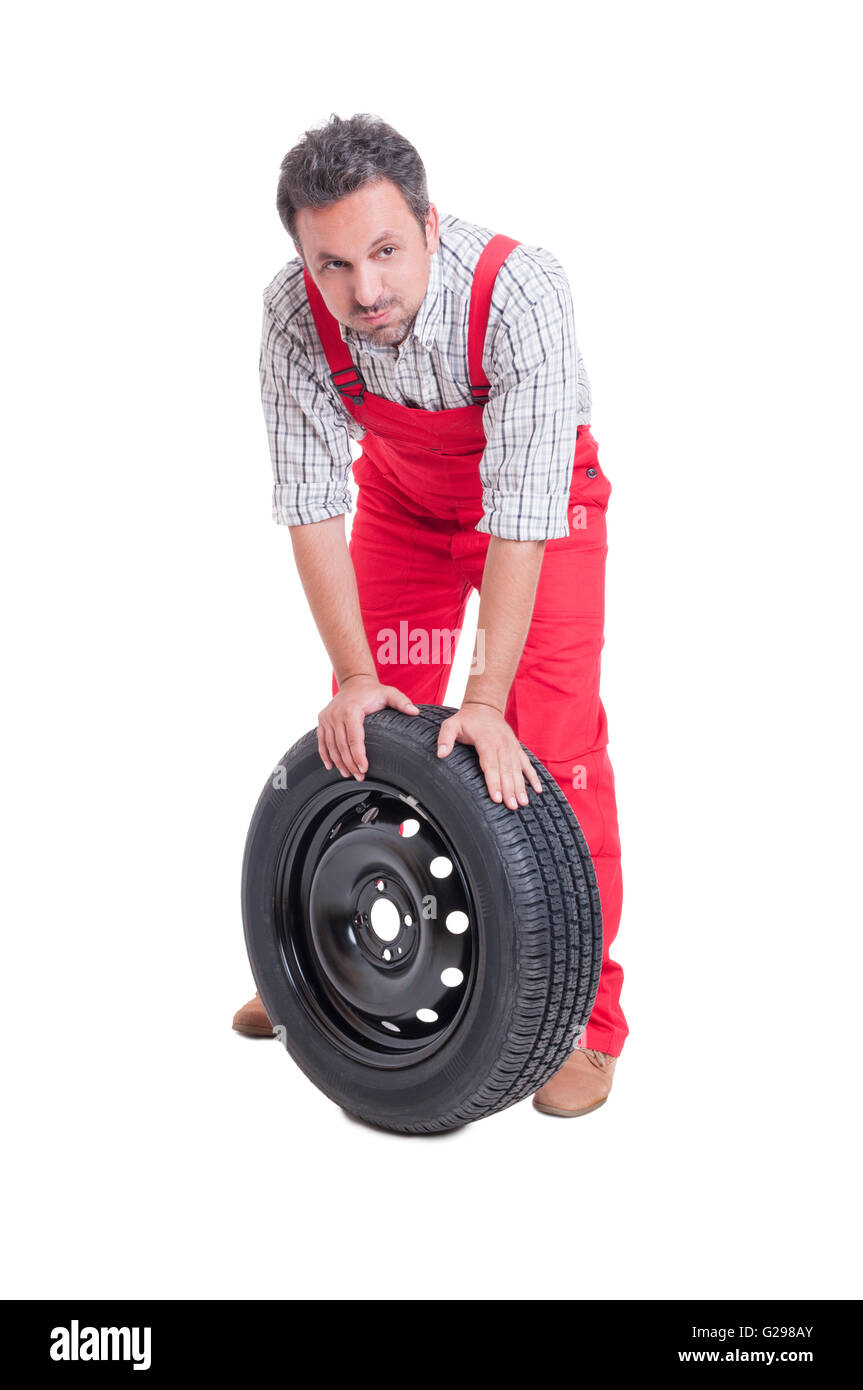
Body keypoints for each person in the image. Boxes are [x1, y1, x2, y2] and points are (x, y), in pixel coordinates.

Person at [233, 113, 628, 1118]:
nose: (364, 291)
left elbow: (524, 511)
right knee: (368, 732)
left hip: (539, 510)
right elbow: (315, 501)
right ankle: (317, 982)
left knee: (540, 748)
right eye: (332, 265)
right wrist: (361, 674)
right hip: (406, 505)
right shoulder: (291, 317)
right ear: (300, 260)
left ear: (427, 225)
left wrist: (487, 694)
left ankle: (581, 1015)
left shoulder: (519, 292)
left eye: (384, 251)